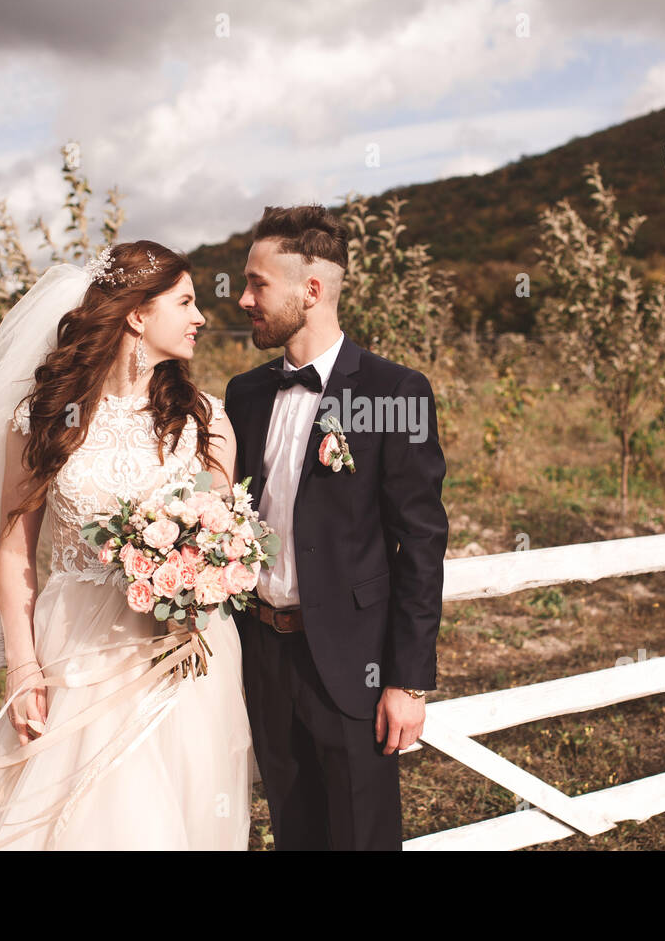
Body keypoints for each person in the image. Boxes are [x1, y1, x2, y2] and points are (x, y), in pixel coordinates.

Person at [0, 241, 253, 850]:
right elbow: (13, 551)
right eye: (186, 302)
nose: (202, 317)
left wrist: (199, 583)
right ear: (137, 315)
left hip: (181, 649)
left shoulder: (206, 420)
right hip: (77, 647)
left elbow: (221, 538)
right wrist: (24, 665)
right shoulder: (42, 418)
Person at [225, 205, 450, 850]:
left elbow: (422, 543)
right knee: (294, 832)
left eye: (257, 284)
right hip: (263, 655)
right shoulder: (244, 393)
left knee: (360, 837)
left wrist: (408, 680)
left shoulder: (396, 390)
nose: (242, 299)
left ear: (311, 289)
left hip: (356, 665)